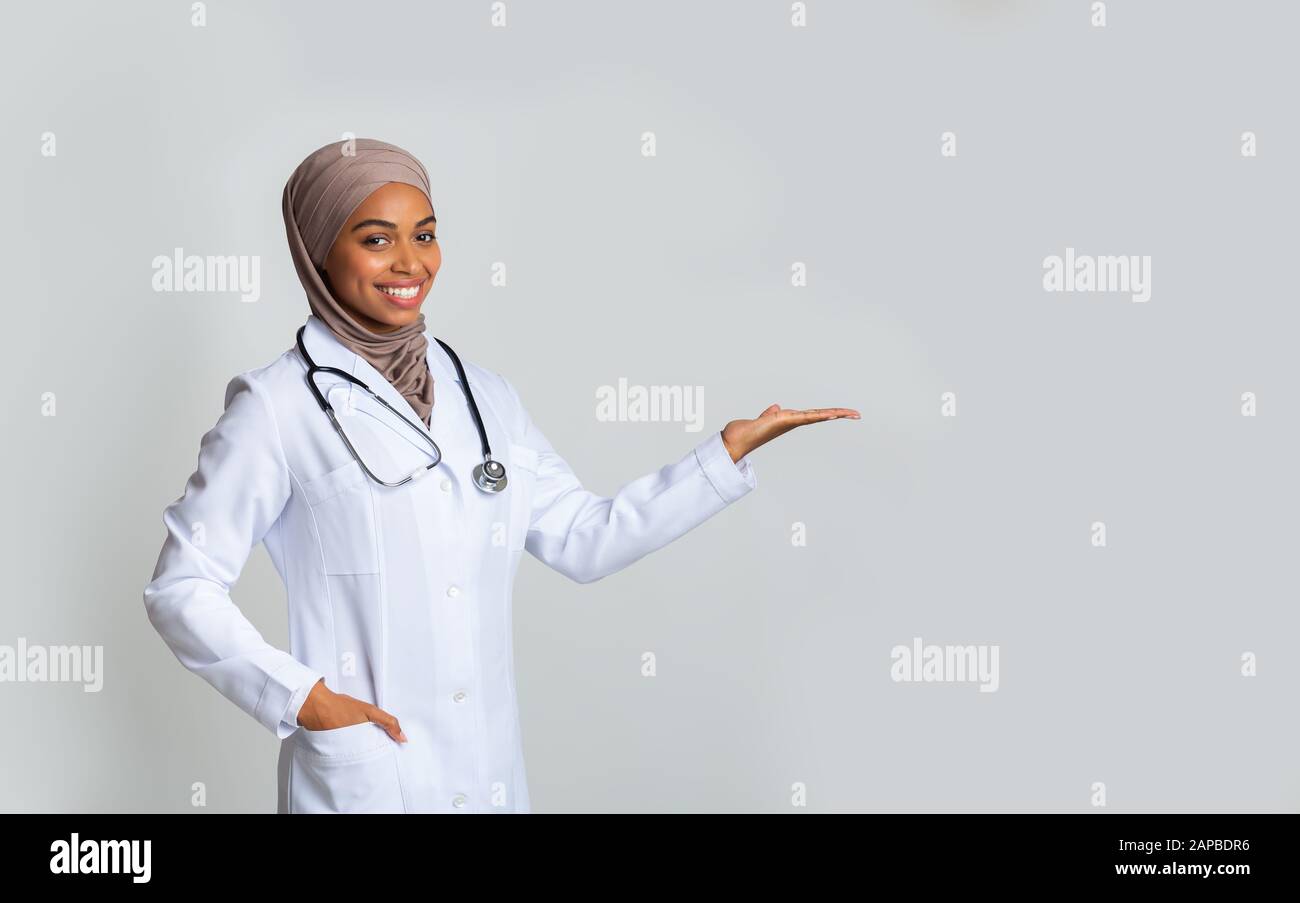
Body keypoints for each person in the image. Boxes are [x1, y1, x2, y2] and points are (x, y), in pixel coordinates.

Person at [142, 137, 859, 813]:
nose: (410, 263)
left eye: (424, 234)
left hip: (488, 777)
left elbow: (586, 539)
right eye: (375, 238)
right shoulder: (277, 406)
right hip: (364, 779)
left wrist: (723, 454)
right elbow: (181, 587)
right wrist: (303, 698)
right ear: (317, 250)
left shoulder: (484, 396)